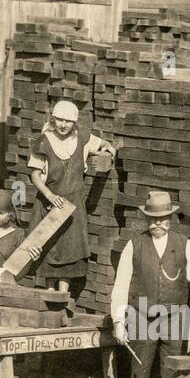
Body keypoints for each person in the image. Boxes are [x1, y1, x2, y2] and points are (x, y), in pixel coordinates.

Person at [109, 191, 190, 378]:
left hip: (174, 317)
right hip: (141, 316)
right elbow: (121, 284)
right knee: (140, 372)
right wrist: (118, 321)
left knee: (170, 373)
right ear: (145, 219)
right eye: (152, 219)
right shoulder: (134, 244)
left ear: (171, 218)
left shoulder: (184, 244)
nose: (157, 224)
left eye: (163, 218)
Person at [27, 99, 116, 297]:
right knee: (49, 247)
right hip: (49, 202)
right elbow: (34, 175)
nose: (63, 125)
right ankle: (49, 293)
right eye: (59, 120)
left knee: (69, 248)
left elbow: (102, 143)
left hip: (73, 205)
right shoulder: (43, 141)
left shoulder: (83, 138)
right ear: (53, 119)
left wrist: (108, 147)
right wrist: (50, 196)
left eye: (67, 121)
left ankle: (63, 297)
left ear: (74, 122)